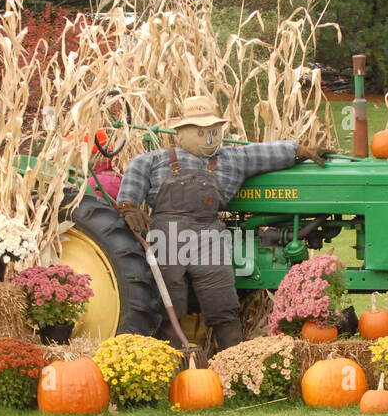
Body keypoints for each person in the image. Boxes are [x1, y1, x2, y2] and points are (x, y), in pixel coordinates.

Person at [116, 94, 328, 350]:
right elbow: (135, 171)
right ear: (182, 133)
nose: (209, 138)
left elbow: (263, 153)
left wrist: (298, 151)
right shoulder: (157, 160)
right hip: (165, 235)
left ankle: (231, 358)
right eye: (201, 132)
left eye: (213, 131)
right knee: (167, 299)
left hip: (208, 235)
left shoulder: (231, 159)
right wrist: (128, 205)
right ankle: (172, 360)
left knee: (221, 295)